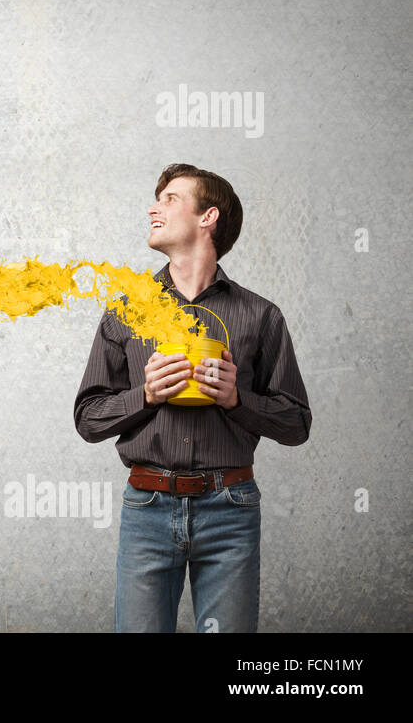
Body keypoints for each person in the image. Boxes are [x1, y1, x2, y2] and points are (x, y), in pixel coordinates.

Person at [73, 163, 311, 633]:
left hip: (231, 508)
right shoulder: (127, 310)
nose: (153, 208)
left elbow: (297, 424)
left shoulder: (261, 316)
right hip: (147, 505)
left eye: (170, 199)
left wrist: (235, 399)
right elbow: (88, 418)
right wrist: (146, 394)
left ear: (209, 218)